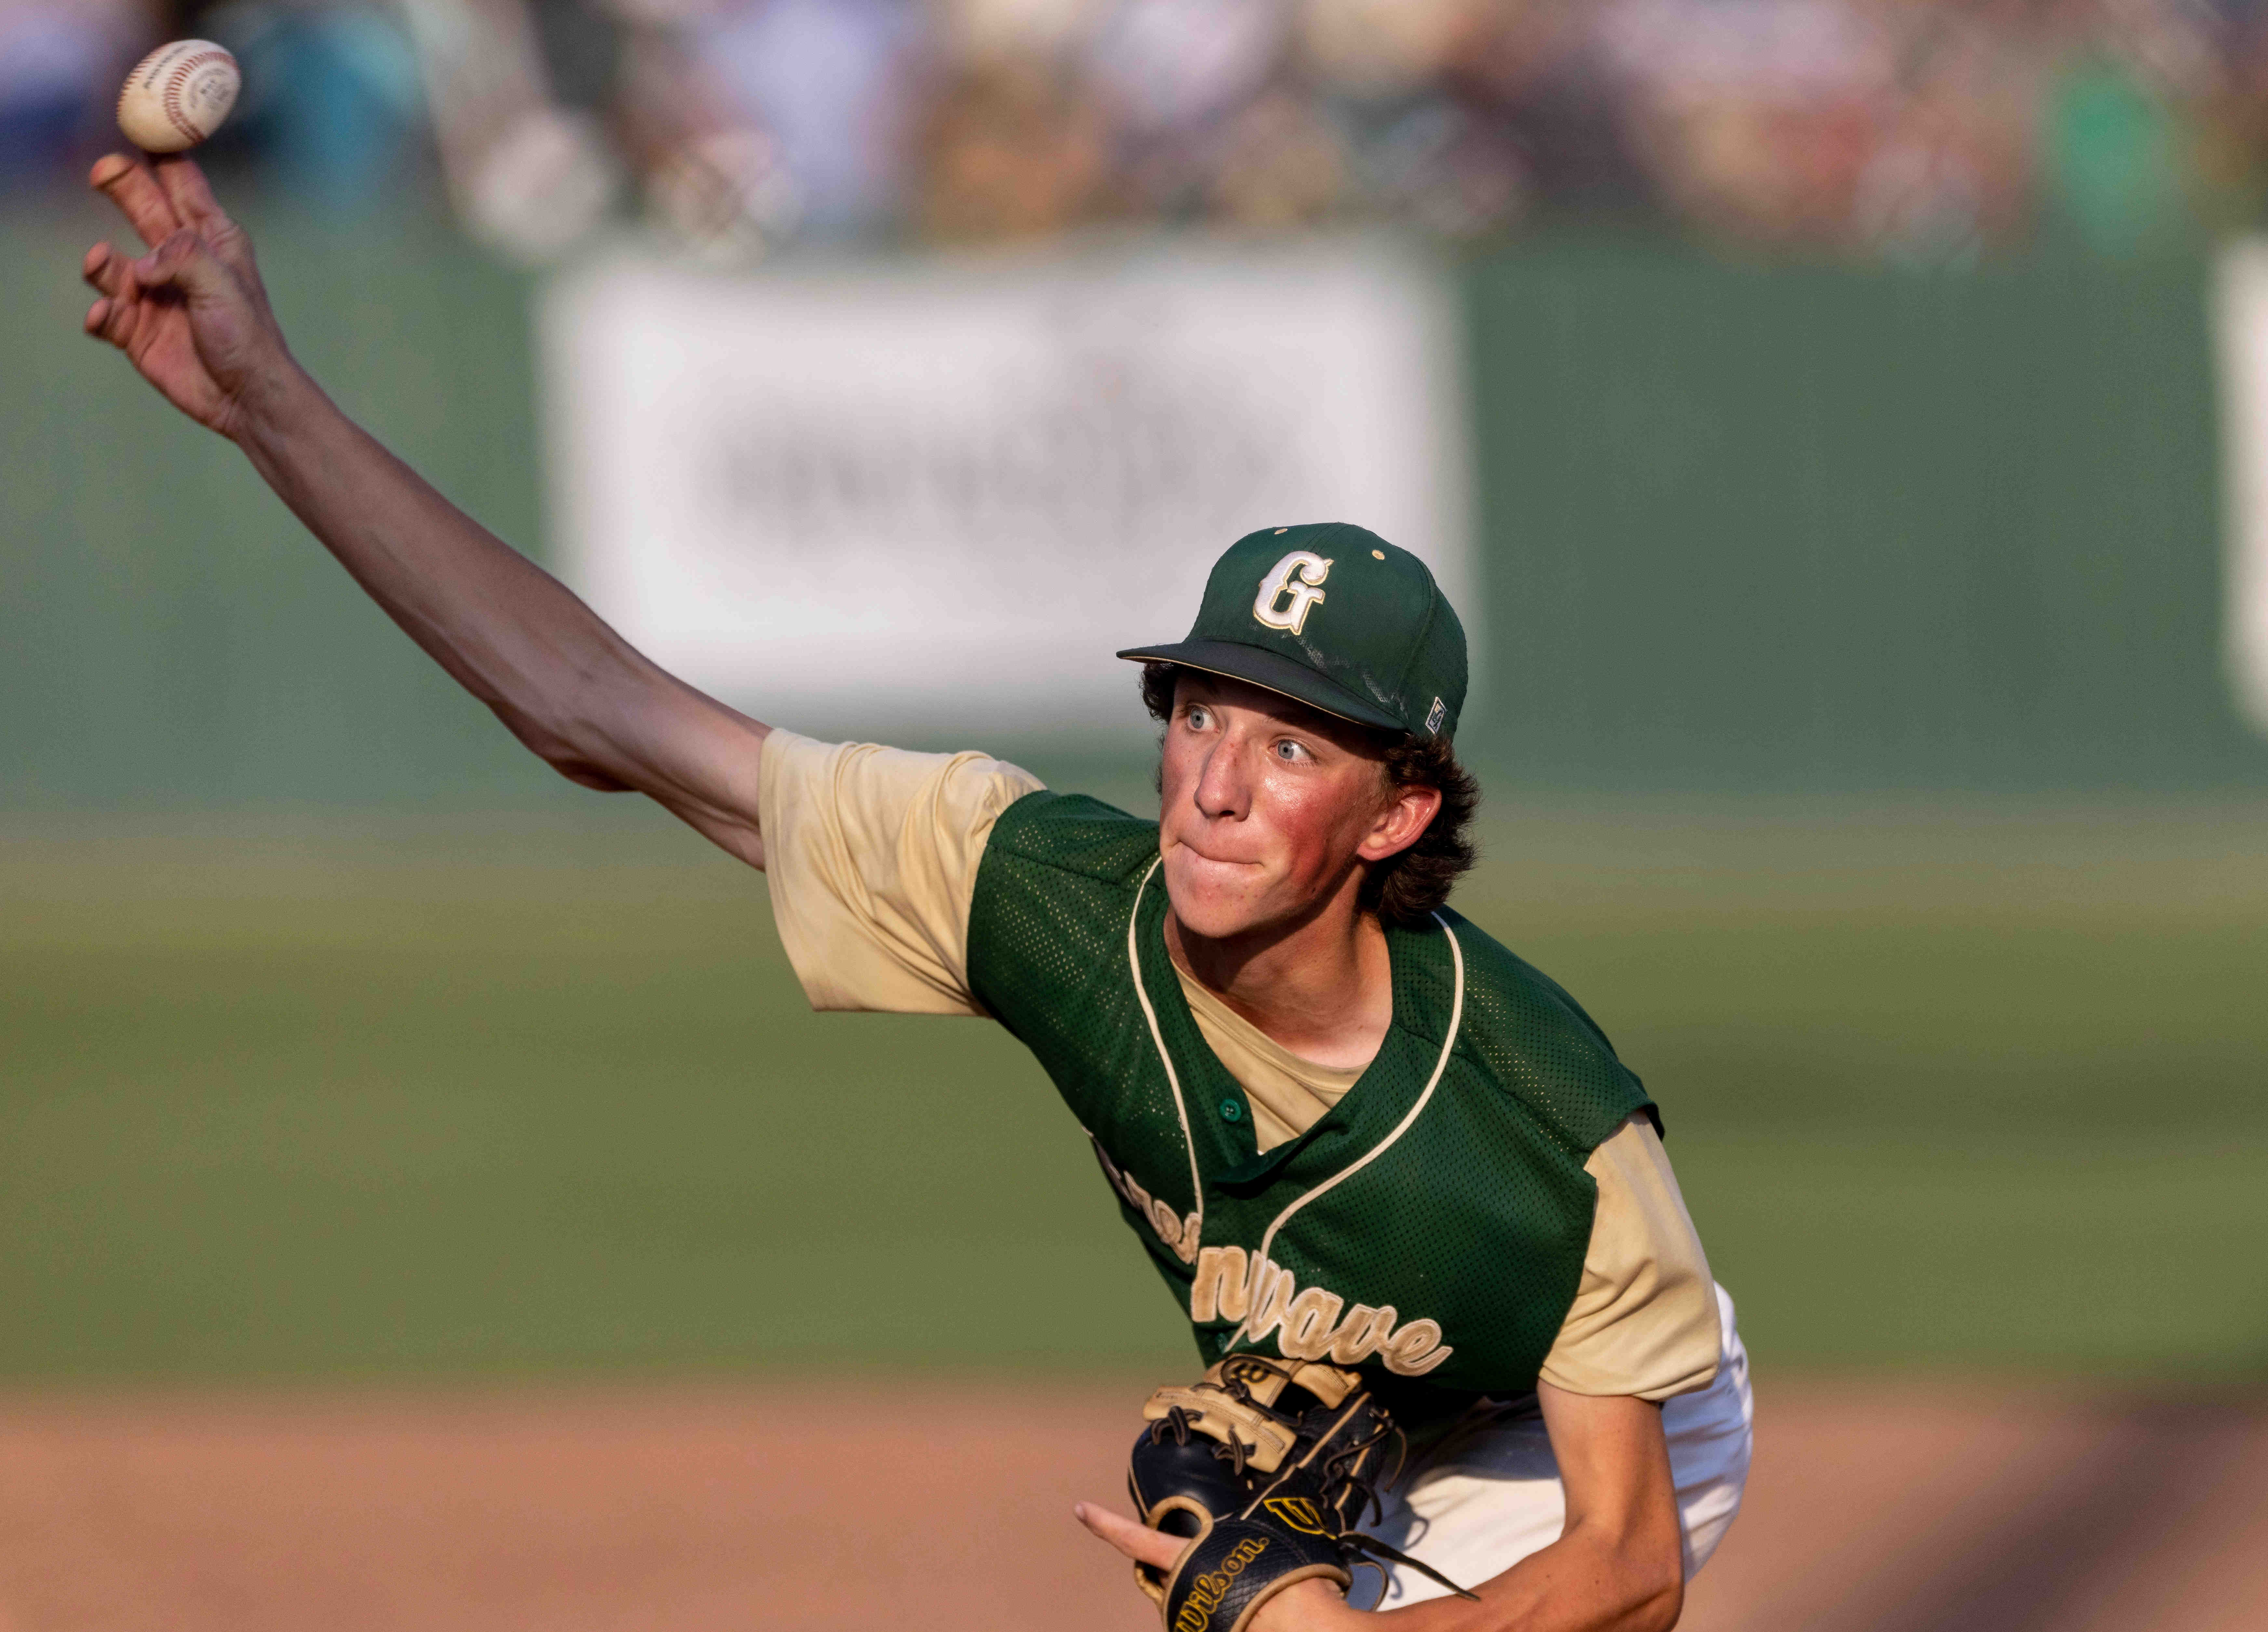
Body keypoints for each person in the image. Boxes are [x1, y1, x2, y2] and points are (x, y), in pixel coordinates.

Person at [75, 151, 1752, 1631]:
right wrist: (266, 403)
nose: (1219, 784)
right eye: (1204, 714)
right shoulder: (1037, 889)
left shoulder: (1550, 1135)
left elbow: (1632, 1567)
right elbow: (595, 712)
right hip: (1361, 1396)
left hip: (1567, 1434)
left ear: (1398, 816)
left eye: (1298, 751)